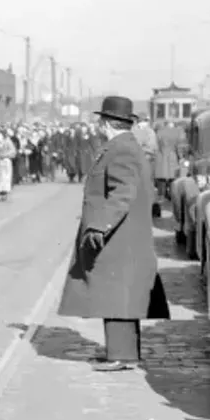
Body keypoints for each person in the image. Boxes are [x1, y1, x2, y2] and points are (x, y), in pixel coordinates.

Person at [59, 95, 171, 371]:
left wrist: (100, 225)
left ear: (107, 123)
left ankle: (121, 355)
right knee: (121, 293)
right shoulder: (126, 147)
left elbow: (123, 193)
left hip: (119, 237)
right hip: (124, 236)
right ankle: (124, 352)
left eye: (101, 121)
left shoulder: (120, 150)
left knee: (116, 293)